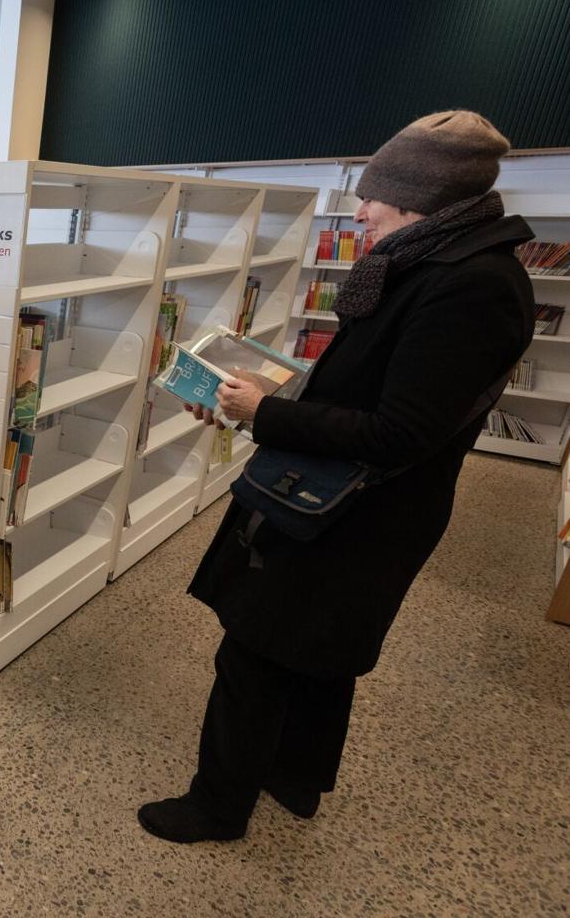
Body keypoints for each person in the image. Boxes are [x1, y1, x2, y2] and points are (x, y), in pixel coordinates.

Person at [138, 111, 534, 843]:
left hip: (358, 513)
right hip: (345, 501)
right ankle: (294, 779)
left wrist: (265, 414)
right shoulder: (433, 261)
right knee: (319, 653)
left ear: (423, 196)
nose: (360, 211)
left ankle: (218, 806)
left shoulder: (472, 286)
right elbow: (378, 387)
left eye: (374, 196)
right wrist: (268, 397)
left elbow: (399, 432)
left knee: (255, 651)